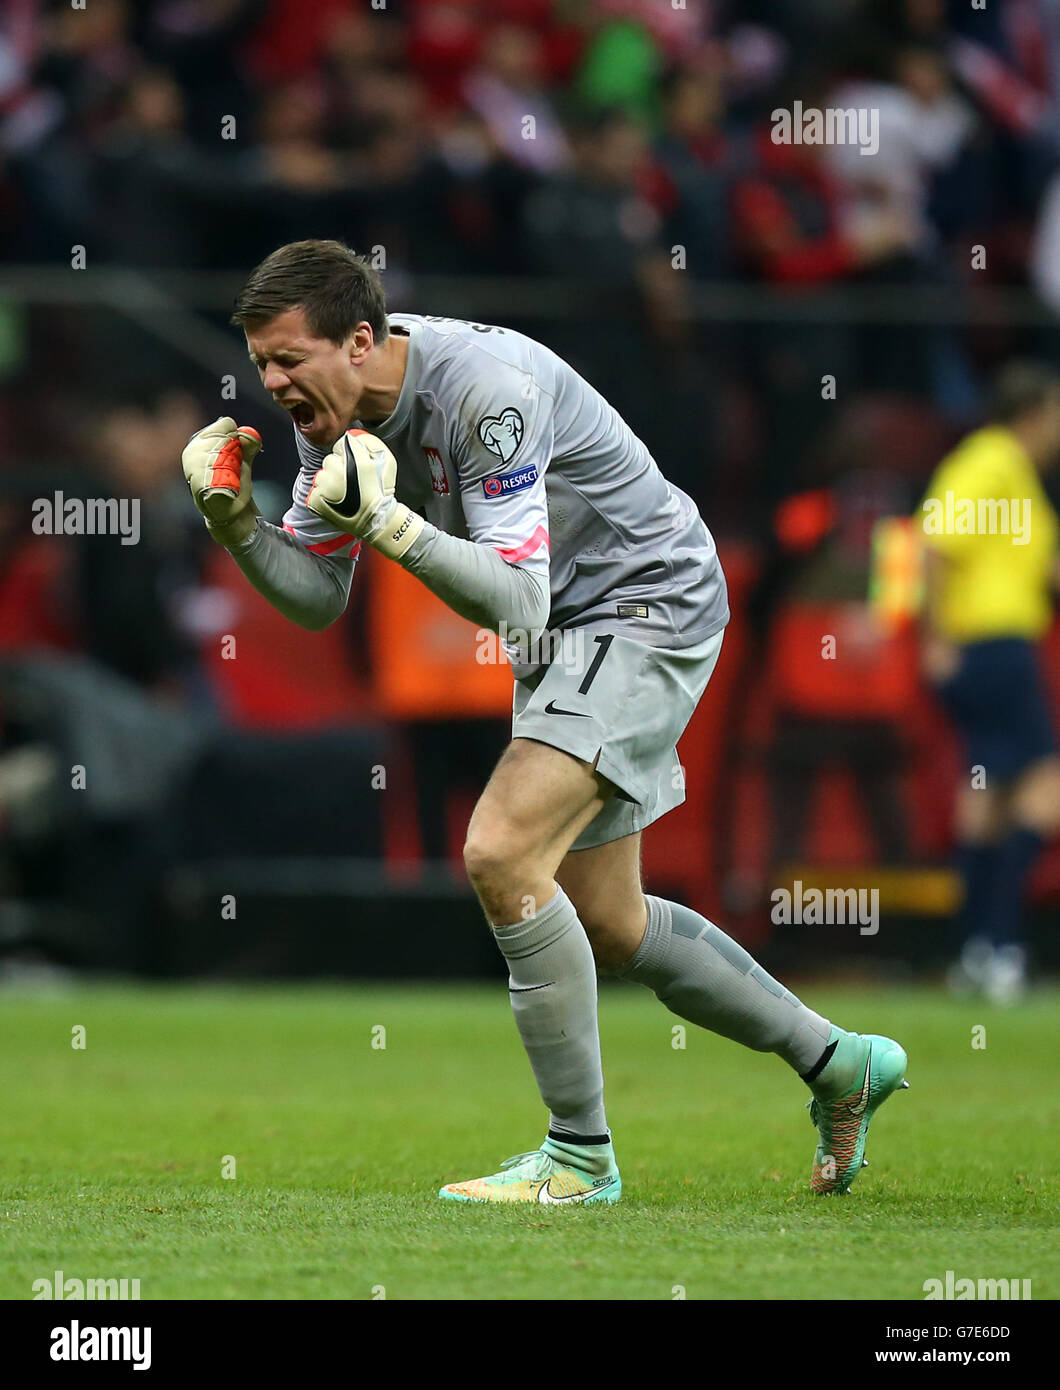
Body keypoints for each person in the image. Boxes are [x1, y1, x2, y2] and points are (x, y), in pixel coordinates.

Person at [180, 239, 908, 1203]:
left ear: (360, 339)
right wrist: (238, 526)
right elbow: (318, 597)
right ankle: (839, 1062)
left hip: (645, 602)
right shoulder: (335, 416)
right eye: (261, 364)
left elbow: (515, 600)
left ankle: (579, 1158)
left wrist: (392, 525)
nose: (272, 384)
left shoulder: (487, 392)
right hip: (568, 630)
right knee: (611, 919)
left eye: (288, 360)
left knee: (500, 851)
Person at [919, 361, 1060, 1003]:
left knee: (988, 796)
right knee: (1044, 785)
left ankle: (977, 949)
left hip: (997, 647)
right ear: (1032, 414)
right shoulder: (992, 460)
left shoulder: (1018, 479)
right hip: (992, 647)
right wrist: (935, 637)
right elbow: (933, 543)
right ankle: (998, 943)